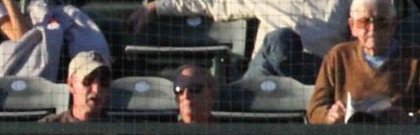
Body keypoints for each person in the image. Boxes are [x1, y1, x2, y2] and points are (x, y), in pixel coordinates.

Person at [127, 0, 347, 84]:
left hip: (317, 77)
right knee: (281, 39)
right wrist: (158, 6)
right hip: (264, 76)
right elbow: (213, 3)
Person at [307, 0, 420, 123]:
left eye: (381, 22)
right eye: (364, 22)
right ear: (352, 26)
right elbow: (314, 109)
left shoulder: (415, 58)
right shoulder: (338, 56)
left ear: (393, 25)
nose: (373, 28)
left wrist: (410, 119)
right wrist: (329, 116)